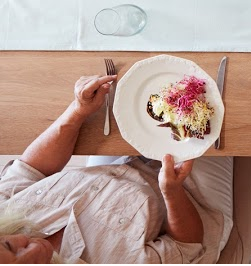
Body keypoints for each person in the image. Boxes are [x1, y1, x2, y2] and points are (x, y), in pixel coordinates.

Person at [0, 74, 233, 263]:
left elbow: (32, 168)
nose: (33, 251)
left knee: (141, 86)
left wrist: (78, 110)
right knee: (223, 107)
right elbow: (186, 244)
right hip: (192, 198)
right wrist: (172, 191)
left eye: (10, 246)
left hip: (116, 173)